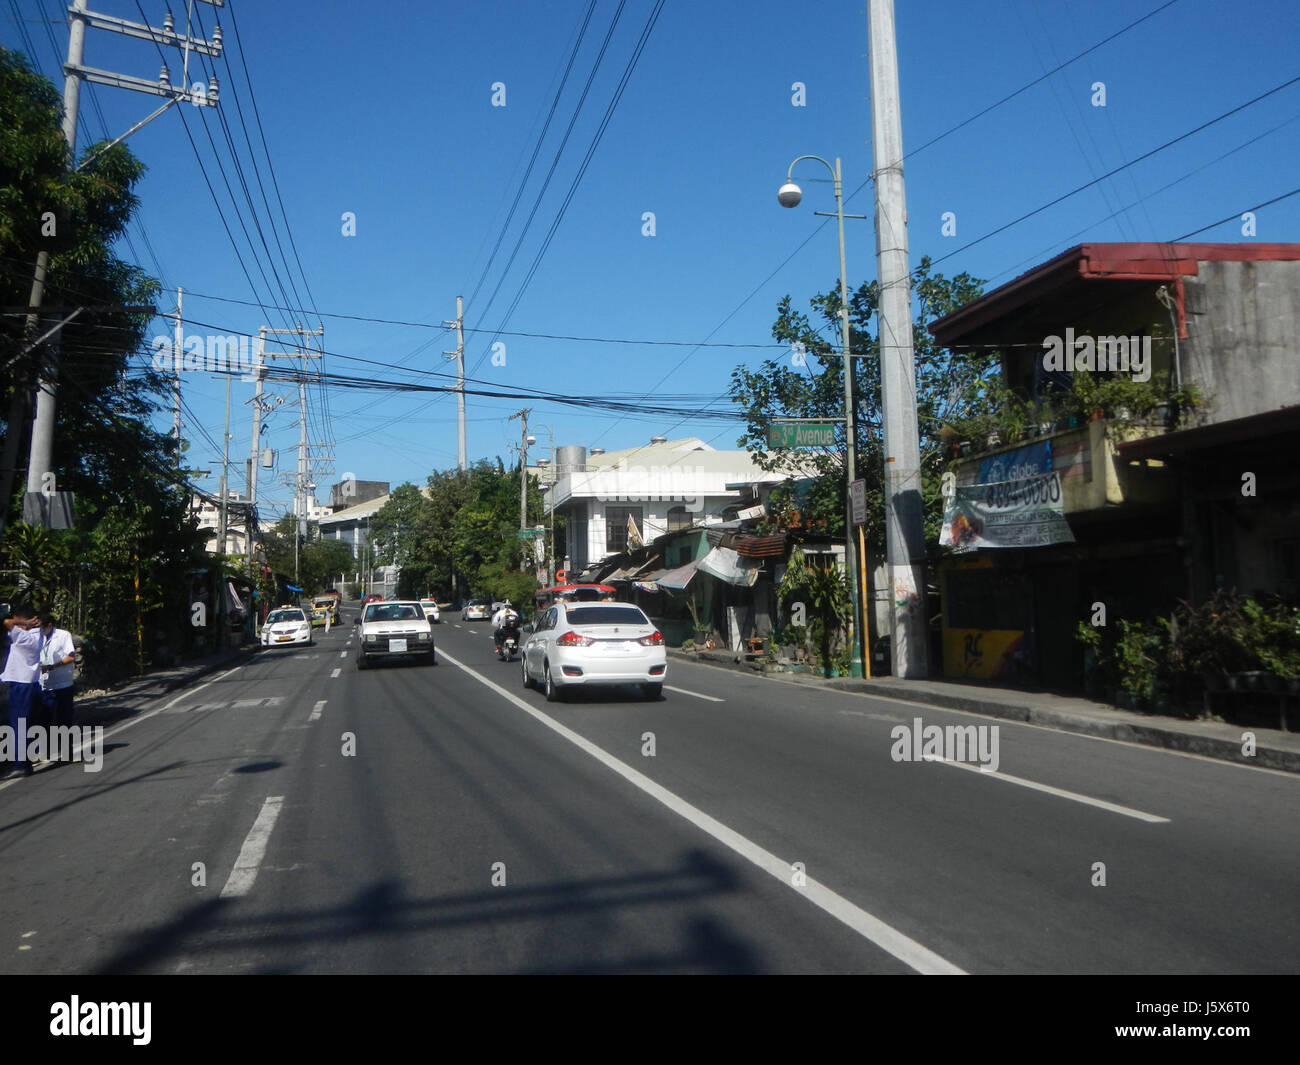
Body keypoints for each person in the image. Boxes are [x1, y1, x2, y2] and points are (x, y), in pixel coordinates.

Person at [1, 605, 43, 779]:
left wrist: (21, 621)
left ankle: (20, 765)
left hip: (21, 685)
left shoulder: (24, 636)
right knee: (25, 724)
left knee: (18, 725)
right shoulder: (36, 636)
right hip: (29, 684)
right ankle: (26, 762)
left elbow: (6, 622)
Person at [37, 613, 77, 760]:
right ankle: (45, 750)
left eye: (42, 627)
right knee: (44, 718)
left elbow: (71, 656)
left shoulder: (63, 635)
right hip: (45, 684)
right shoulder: (36, 637)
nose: (39, 631)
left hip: (63, 683)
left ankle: (67, 751)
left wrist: (53, 666)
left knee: (64, 718)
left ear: (49, 625)